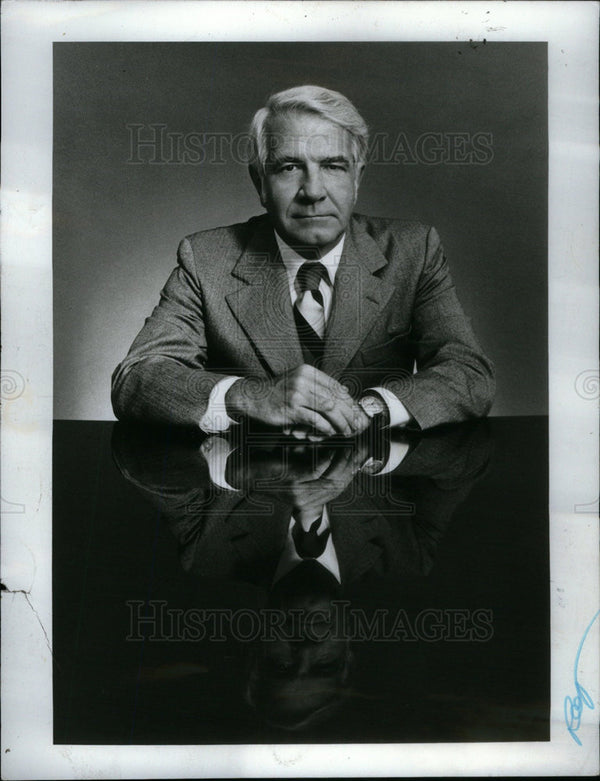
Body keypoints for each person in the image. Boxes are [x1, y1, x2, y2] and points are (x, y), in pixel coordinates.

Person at [111, 85, 495, 437]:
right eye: (289, 167)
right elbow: (138, 377)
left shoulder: (413, 251)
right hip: (252, 484)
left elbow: (468, 371)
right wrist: (251, 397)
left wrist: (371, 410)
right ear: (259, 182)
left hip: (372, 484)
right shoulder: (206, 258)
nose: (313, 191)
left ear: (357, 179)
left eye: (333, 166)